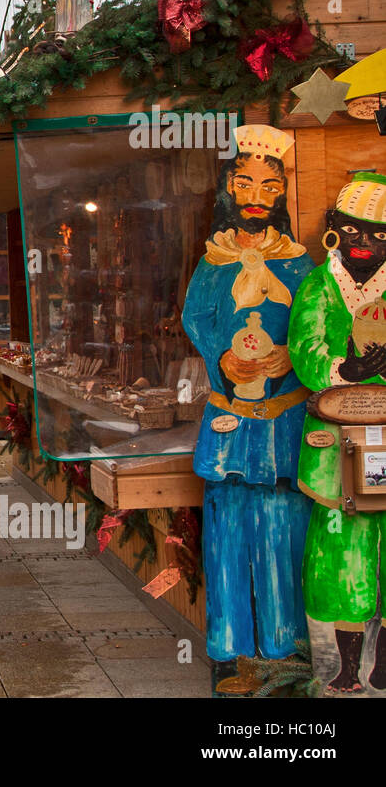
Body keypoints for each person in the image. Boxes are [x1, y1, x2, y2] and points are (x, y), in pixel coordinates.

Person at [181, 125, 313, 694]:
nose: (256, 195)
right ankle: (232, 653)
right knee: (228, 529)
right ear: (229, 189)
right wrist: (221, 360)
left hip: (284, 421)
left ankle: (285, 650)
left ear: (283, 194)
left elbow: (315, 325)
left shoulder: (301, 263)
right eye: (245, 182)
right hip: (230, 419)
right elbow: (196, 318)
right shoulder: (214, 260)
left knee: (283, 528)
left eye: (269, 185)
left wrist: (292, 353)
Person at [290, 172, 386, 693]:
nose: (364, 245)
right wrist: (343, 370)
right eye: (353, 233)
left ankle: (382, 663)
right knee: (340, 554)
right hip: (335, 441)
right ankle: (344, 668)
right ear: (334, 232)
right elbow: (305, 352)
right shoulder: (318, 285)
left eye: (378, 235)